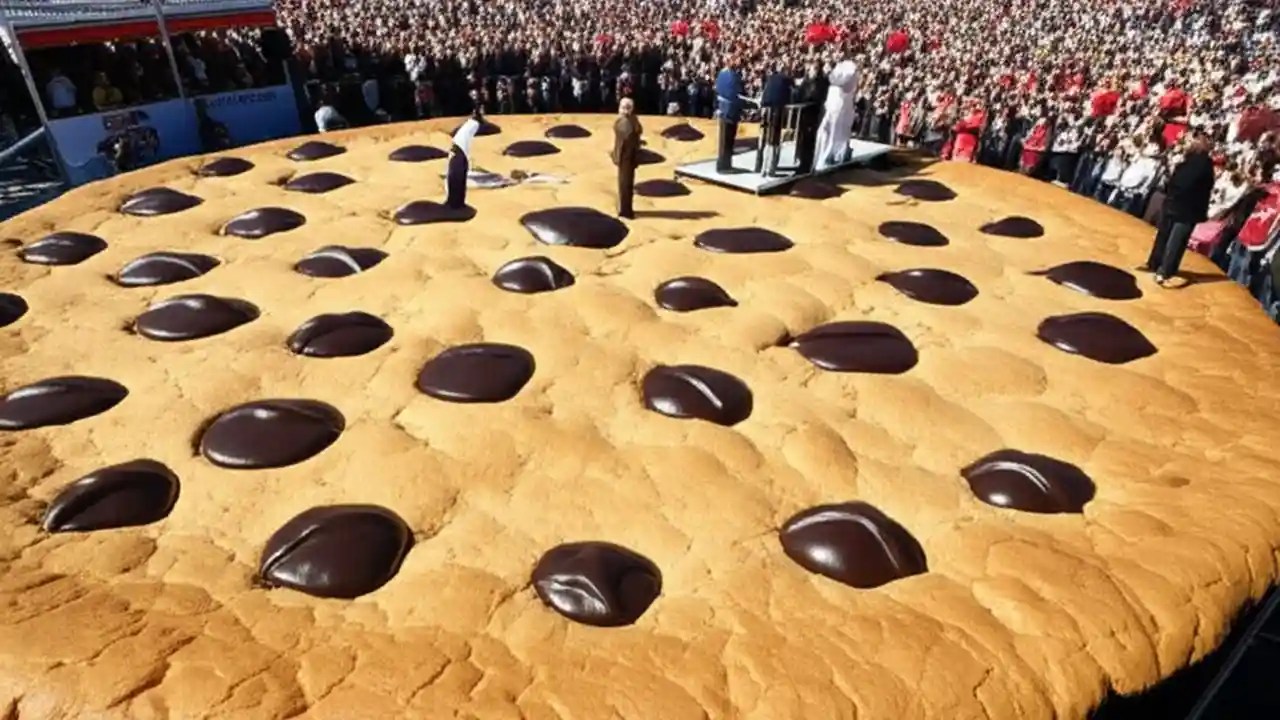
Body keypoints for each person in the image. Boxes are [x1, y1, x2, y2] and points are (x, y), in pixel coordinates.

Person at [1147, 133, 1217, 285]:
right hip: (1182, 206)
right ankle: (1162, 268)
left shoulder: (1197, 164)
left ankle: (1162, 268)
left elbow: (1183, 183)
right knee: (1172, 239)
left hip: (1183, 207)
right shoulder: (1199, 164)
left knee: (1172, 239)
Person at [814, 60, 859, 171]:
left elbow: (840, 80)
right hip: (832, 105)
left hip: (840, 108)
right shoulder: (838, 73)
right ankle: (823, 157)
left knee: (835, 134)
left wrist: (830, 72)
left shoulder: (851, 73)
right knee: (825, 132)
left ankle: (830, 157)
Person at [793, 62, 828, 175]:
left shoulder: (821, 82)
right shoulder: (807, 81)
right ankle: (801, 161)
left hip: (813, 114)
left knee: (809, 140)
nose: (811, 71)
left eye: (813, 69)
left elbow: (816, 97)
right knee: (803, 139)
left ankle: (806, 165)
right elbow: (800, 94)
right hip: (804, 113)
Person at [611, 97, 642, 219]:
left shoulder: (624, 121)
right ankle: (627, 209)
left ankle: (625, 211)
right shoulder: (633, 120)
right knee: (627, 185)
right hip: (630, 157)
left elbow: (623, 138)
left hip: (626, 157)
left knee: (624, 185)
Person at [758, 65, 790, 176]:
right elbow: (788, 97)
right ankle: (770, 169)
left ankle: (761, 167)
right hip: (777, 112)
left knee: (765, 141)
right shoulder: (786, 81)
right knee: (773, 142)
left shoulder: (771, 78)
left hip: (766, 112)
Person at [714, 58, 744, 173]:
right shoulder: (733, 76)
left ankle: (724, 163)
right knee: (728, 138)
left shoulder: (722, 73)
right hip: (730, 110)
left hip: (724, 109)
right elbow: (736, 93)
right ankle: (724, 165)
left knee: (725, 138)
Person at [445, 118, 480, 209]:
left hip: (459, 150)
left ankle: (455, 203)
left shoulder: (460, 139)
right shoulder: (461, 139)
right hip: (459, 150)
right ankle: (455, 203)